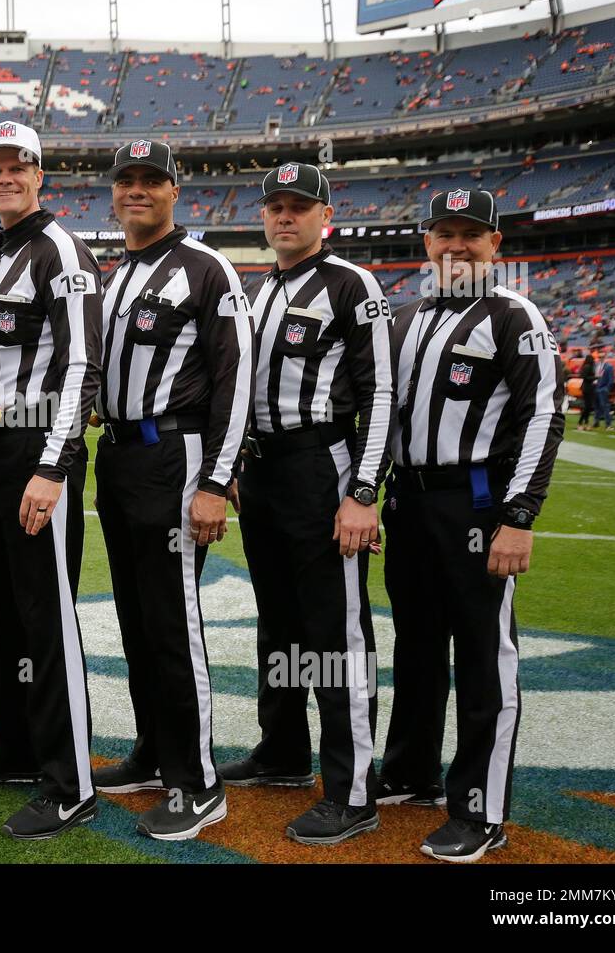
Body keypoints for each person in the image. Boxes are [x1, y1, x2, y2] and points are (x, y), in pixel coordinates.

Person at [380, 189, 564, 862]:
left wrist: (519, 516)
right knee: (417, 645)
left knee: (486, 655)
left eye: (471, 234)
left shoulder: (514, 314)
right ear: (427, 241)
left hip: (477, 503)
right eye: (444, 233)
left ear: (495, 245)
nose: (456, 246)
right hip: (409, 502)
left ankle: (480, 807)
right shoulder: (407, 316)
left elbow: (544, 416)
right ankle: (411, 770)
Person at [225, 162, 393, 846]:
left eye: (299, 206)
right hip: (264, 472)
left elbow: (380, 393)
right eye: (275, 207)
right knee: (280, 623)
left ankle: (352, 791)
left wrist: (363, 492)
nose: (285, 216)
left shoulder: (351, 284)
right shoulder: (260, 288)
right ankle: (284, 750)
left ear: (327, 215)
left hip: (321, 464)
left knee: (336, 632)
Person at [91, 139, 253, 841]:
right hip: (120, 455)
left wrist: (216, 478)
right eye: (126, 180)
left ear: (174, 191)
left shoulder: (206, 267)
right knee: (137, 618)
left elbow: (236, 380)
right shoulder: (118, 273)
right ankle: (154, 751)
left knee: (173, 622)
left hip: (174, 454)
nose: (137, 190)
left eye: (151, 180)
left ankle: (198, 782)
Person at [0, 121, 103, 840]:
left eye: (20, 166)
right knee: (1, 610)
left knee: (46, 617)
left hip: (35, 446)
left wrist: (53, 463)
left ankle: (71, 782)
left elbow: (81, 365)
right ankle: (14, 746)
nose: (6, 177)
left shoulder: (59, 250)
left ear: (41, 176)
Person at [576, 351, 596, 429]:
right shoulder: (588, 367)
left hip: (588, 388)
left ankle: (585, 423)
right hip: (587, 388)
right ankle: (580, 423)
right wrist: (595, 377)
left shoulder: (586, 366)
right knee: (587, 407)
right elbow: (584, 376)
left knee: (588, 406)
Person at [595, 354, 615, 428]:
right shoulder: (596, 365)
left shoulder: (609, 367)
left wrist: (607, 389)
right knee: (596, 406)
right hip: (596, 388)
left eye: (602, 357)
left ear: (604, 357)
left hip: (603, 389)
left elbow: (611, 379)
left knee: (605, 406)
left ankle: (608, 423)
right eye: (599, 357)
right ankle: (596, 422)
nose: (600, 358)